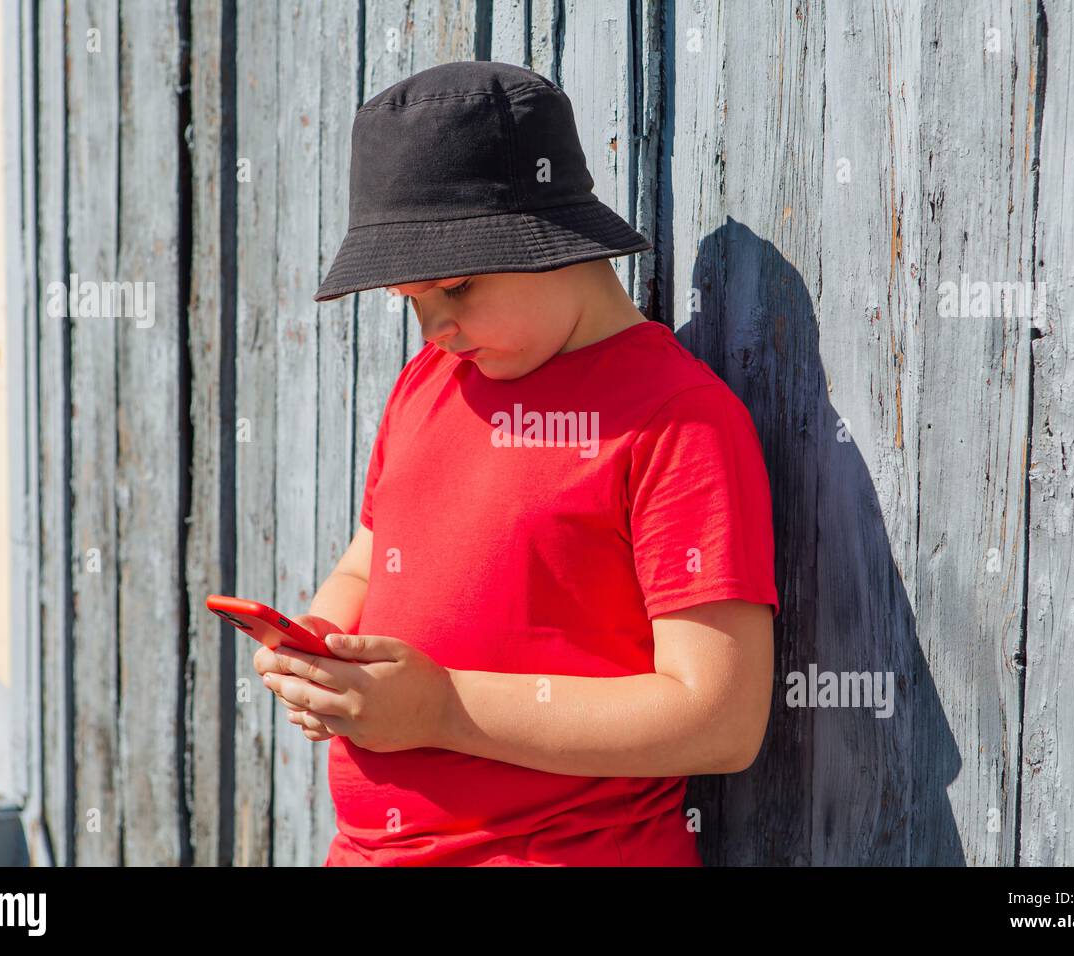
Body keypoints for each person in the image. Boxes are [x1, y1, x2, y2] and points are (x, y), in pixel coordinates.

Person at [253, 60, 779, 866]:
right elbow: (371, 561)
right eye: (411, 300)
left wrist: (443, 711)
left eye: (456, 287)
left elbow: (718, 719)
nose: (435, 329)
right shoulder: (428, 386)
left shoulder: (675, 420)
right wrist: (323, 646)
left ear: (551, 238)